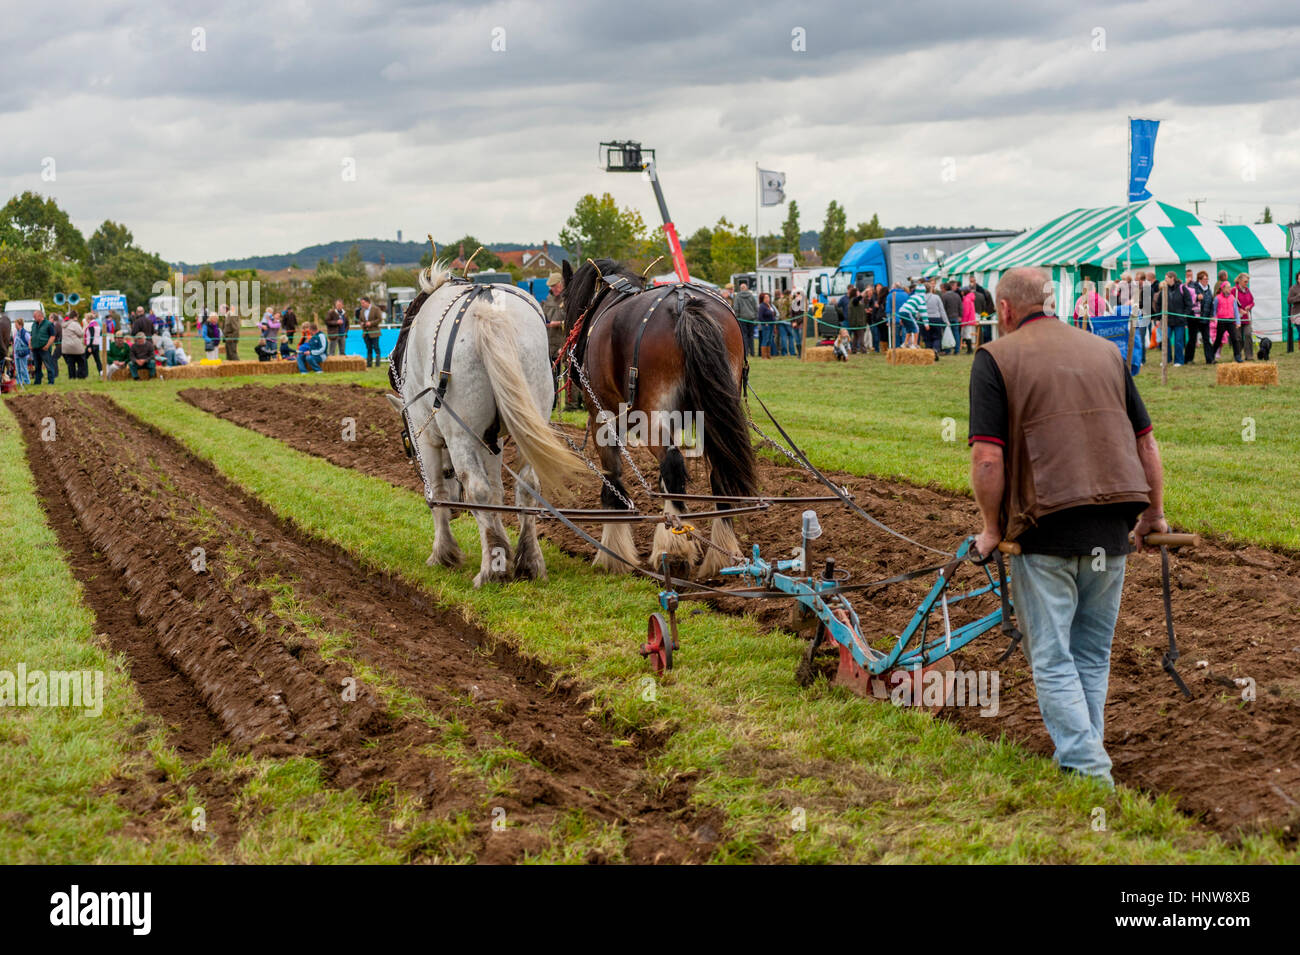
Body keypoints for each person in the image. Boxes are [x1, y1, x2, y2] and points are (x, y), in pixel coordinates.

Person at [969, 266, 1166, 786]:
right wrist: (1155, 516)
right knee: (1090, 655)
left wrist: (990, 529)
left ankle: (1088, 770)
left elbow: (988, 459)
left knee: (1053, 658)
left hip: (1045, 527)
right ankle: (1083, 759)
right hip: (1112, 527)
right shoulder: (1105, 351)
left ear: (1005, 310)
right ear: (1050, 301)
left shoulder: (995, 358)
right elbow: (1146, 442)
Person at [1151, 271, 1191, 366]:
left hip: (1179, 321)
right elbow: (1159, 305)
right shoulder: (1164, 290)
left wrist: (1185, 314)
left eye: (1166, 278)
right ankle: (1167, 359)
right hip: (1167, 321)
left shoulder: (1182, 288)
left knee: (1178, 341)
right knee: (1165, 340)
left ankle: (1178, 361)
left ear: (1172, 278)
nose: (1165, 280)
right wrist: (1158, 318)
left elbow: (1189, 303)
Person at [1211, 281, 1242, 362]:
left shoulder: (1233, 298)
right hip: (1221, 321)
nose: (1230, 289)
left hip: (1231, 321)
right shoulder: (1217, 298)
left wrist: (1238, 322)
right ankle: (1211, 356)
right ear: (1223, 288)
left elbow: (1236, 311)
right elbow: (1214, 310)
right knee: (1218, 340)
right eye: (1228, 287)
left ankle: (1237, 356)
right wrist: (1214, 318)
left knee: (1235, 339)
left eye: (1230, 287)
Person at [30, 309, 58, 385]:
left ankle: (51, 381)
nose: (34, 318)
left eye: (35, 316)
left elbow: (52, 336)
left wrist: (47, 346)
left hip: (44, 349)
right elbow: (31, 335)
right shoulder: (34, 324)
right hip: (35, 349)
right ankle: (37, 381)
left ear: (40, 316)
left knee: (48, 365)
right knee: (37, 366)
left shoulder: (48, 324)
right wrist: (30, 345)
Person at [896, 283, 927, 349]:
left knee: (909, 329)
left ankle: (905, 343)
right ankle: (914, 344)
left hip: (901, 311)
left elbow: (910, 307)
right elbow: (923, 312)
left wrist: (901, 319)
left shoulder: (912, 296)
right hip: (908, 312)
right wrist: (926, 323)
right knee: (916, 328)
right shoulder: (921, 299)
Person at [1233, 274, 1255, 359]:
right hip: (1237, 318)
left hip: (1246, 317)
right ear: (1240, 281)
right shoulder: (1234, 290)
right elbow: (1231, 303)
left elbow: (1252, 302)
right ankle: (1238, 355)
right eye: (1245, 281)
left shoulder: (1247, 290)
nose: (1247, 283)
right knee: (1238, 337)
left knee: (1248, 334)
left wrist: (1250, 306)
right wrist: (1239, 310)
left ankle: (1249, 355)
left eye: (1247, 281)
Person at [733, 282, 757, 358]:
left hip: (742, 319)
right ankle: (752, 352)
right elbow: (755, 307)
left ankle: (746, 352)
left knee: (744, 336)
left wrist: (737, 316)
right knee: (751, 336)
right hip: (751, 318)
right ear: (746, 288)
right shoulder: (751, 296)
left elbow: (736, 308)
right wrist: (755, 317)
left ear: (740, 289)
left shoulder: (738, 297)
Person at [356, 296, 382, 366]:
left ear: (368, 302)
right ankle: (369, 364)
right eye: (361, 303)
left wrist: (371, 323)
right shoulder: (362, 311)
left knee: (376, 348)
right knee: (368, 348)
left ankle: (377, 363)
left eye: (363, 303)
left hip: (375, 332)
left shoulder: (376, 309)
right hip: (366, 333)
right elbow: (360, 320)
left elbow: (379, 319)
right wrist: (361, 323)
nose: (362, 304)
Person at [61, 313, 87, 379]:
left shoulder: (64, 325)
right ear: (75, 317)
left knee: (70, 364)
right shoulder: (75, 324)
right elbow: (81, 334)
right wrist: (84, 328)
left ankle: (72, 376)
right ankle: (81, 376)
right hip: (76, 346)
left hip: (66, 347)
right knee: (81, 362)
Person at [924, 281, 947, 358]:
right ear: (930, 289)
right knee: (937, 337)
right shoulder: (936, 297)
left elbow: (918, 310)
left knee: (927, 338)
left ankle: (929, 354)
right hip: (936, 318)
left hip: (924, 319)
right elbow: (942, 310)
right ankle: (935, 350)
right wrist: (946, 321)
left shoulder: (921, 298)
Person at [941, 281, 964, 353]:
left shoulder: (944, 296)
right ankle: (957, 350)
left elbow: (942, 308)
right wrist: (960, 316)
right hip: (956, 317)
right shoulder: (957, 295)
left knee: (947, 333)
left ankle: (948, 350)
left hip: (947, 317)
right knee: (956, 333)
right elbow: (960, 306)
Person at [757, 292, 777, 358]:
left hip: (772, 324)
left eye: (768, 297)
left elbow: (774, 313)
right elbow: (760, 317)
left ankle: (768, 355)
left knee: (770, 339)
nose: (768, 299)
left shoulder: (769, 305)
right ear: (762, 299)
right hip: (766, 325)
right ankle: (764, 356)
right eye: (766, 298)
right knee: (765, 339)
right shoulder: (762, 306)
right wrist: (764, 323)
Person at [776, 290, 796, 357]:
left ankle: (784, 353)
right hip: (788, 320)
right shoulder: (789, 300)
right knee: (790, 336)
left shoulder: (779, 300)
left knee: (783, 337)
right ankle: (792, 352)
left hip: (780, 320)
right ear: (789, 294)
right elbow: (791, 311)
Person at [12, 318, 31, 386]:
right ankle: (19, 382)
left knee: (23, 369)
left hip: (23, 354)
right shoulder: (15, 332)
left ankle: (27, 382)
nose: (15, 325)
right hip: (16, 353)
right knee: (18, 369)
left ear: (20, 324)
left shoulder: (25, 333)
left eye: (16, 324)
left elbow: (29, 341)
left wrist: (28, 350)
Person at [960, 284, 978, 354]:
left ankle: (969, 350)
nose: (961, 292)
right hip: (970, 319)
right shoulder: (969, 298)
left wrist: (963, 322)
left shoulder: (966, 299)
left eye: (962, 291)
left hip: (967, 320)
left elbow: (966, 312)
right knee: (967, 334)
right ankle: (969, 349)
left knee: (967, 335)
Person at [790, 289, 806, 357]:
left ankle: (802, 353)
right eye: (797, 294)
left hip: (801, 324)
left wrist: (797, 322)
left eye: (799, 294)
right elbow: (791, 314)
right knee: (796, 340)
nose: (797, 296)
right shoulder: (793, 303)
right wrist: (793, 322)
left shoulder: (804, 304)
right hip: (794, 324)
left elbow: (803, 315)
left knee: (801, 338)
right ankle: (799, 353)